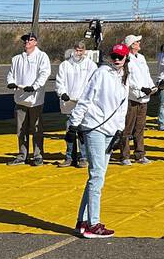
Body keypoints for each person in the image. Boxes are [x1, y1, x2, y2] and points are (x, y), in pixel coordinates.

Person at [67, 42, 129, 238]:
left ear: (126, 58)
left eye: (120, 57)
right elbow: (86, 98)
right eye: (114, 56)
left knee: (97, 177)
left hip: (111, 130)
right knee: (97, 176)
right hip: (95, 127)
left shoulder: (125, 77)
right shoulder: (101, 73)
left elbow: (122, 106)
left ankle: (82, 221)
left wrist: (120, 131)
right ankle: (94, 223)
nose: (117, 60)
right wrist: (74, 124)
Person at [7, 32, 52, 165]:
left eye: (30, 40)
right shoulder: (16, 59)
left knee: (36, 129)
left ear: (36, 42)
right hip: (20, 99)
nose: (27, 42)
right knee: (21, 129)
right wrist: (10, 82)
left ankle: (38, 155)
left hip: (35, 100)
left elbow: (45, 73)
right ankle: (22, 155)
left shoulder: (42, 56)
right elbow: (11, 74)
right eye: (26, 40)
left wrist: (35, 86)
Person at [54, 40, 96, 168]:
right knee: (70, 131)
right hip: (69, 103)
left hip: (83, 104)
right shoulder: (65, 65)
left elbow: (93, 83)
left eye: (81, 50)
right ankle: (69, 157)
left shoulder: (91, 65)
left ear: (85, 51)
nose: (79, 52)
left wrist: (87, 98)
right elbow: (59, 82)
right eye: (77, 50)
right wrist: (62, 93)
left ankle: (83, 158)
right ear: (73, 50)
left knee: (82, 131)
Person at [119, 34, 154, 165]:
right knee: (127, 128)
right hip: (131, 98)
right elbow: (127, 79)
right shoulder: (126, 59)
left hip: (144, 98)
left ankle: (140, 154)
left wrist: (151, 87)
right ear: (132, 44)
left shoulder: (142, 58)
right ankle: (125, 156)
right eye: (137, 41)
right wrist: (140, 88)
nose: (139, 43)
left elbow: (147, 74)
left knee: (140, 127)